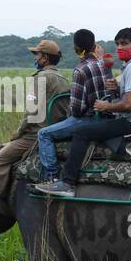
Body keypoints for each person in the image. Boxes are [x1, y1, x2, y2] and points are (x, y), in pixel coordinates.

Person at [35, 28, 131, 197]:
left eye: (124, 44)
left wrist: (106, 106)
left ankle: (66, 182)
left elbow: (129, 105)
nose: (119, 47)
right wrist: (117, 90)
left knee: (80, 132)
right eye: (118, 43)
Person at [0, 38, 69, 200]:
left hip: (35, 134)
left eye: (37, 54)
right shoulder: (63, 79)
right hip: (56, 131)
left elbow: (31, 111)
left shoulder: (40, 78)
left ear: (45, 57)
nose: (35, 58)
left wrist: (19, 132)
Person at [34, 28, 113, 185]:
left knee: (44, 134)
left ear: (76, 48)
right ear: (93, 45)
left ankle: (52, 177)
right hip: (107, 116)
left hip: (89, 118)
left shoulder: (80, 69)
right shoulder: (102, 63)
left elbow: (77, 109)